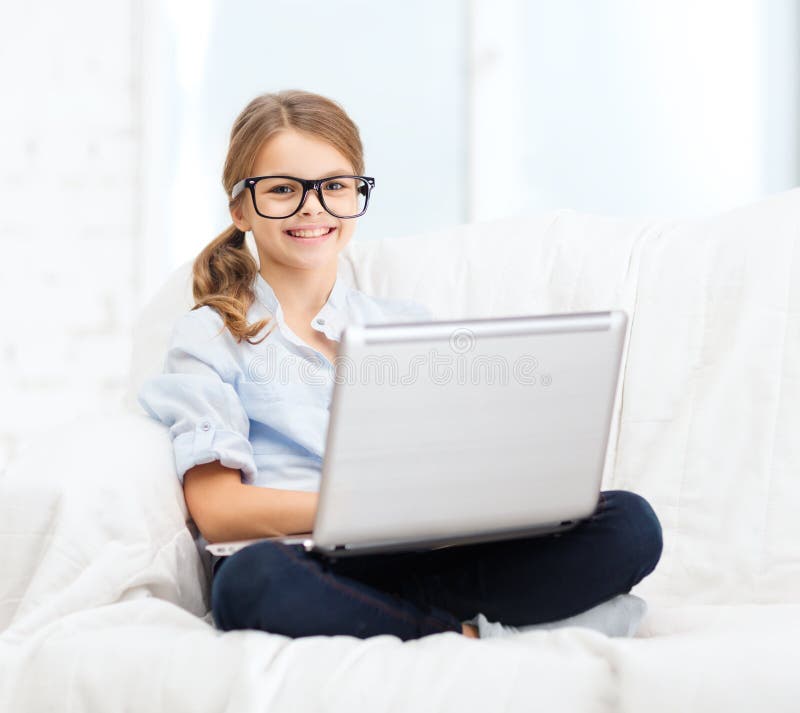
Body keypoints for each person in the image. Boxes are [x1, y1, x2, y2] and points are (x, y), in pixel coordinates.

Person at [138, 89, 663, 642]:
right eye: (284, 190)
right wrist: (368, 510)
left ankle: (401, 619)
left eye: (334, 186)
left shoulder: (404, 327)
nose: (312, 208)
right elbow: (218, 510)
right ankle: (465, 635)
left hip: (421, 555)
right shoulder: (209, 336)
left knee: (630, 523)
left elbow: (450, 467)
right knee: (251, 583)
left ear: (356, 196)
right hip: (304, 560)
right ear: (241, 207)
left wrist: (484, 500)